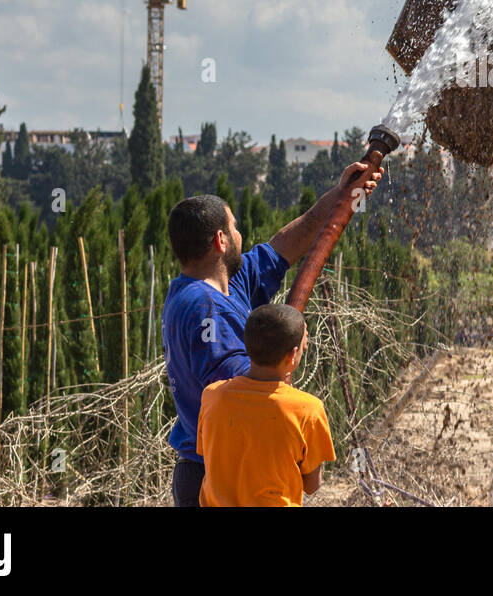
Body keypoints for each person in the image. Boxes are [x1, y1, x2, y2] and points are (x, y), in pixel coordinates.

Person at [161, 159, 380, 507]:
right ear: (220, 240)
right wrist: (287, 348)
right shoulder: (206, 310)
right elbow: (248, 394)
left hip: (223, 471)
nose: (240, 234)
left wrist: (340, 194)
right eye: (234, 228)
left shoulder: (222, 285)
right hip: (222, 478)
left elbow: (284, 246)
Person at [196, 303, 334, 506]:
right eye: (303, 346)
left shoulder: (212, 397)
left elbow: (208, 457)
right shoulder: (308, 409)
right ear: (291, 355)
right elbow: (312, 485)